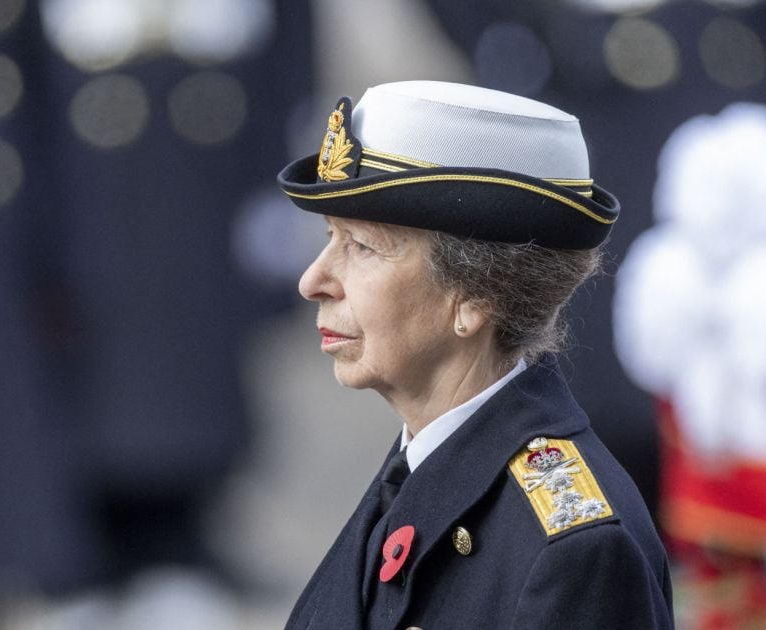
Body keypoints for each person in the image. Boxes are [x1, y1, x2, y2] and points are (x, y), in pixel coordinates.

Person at [275, 80, 673, 629]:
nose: (313, 280)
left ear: (476, 295)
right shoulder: (420, 465)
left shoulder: (573, 551)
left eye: (363, 246)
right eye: (329, 236)